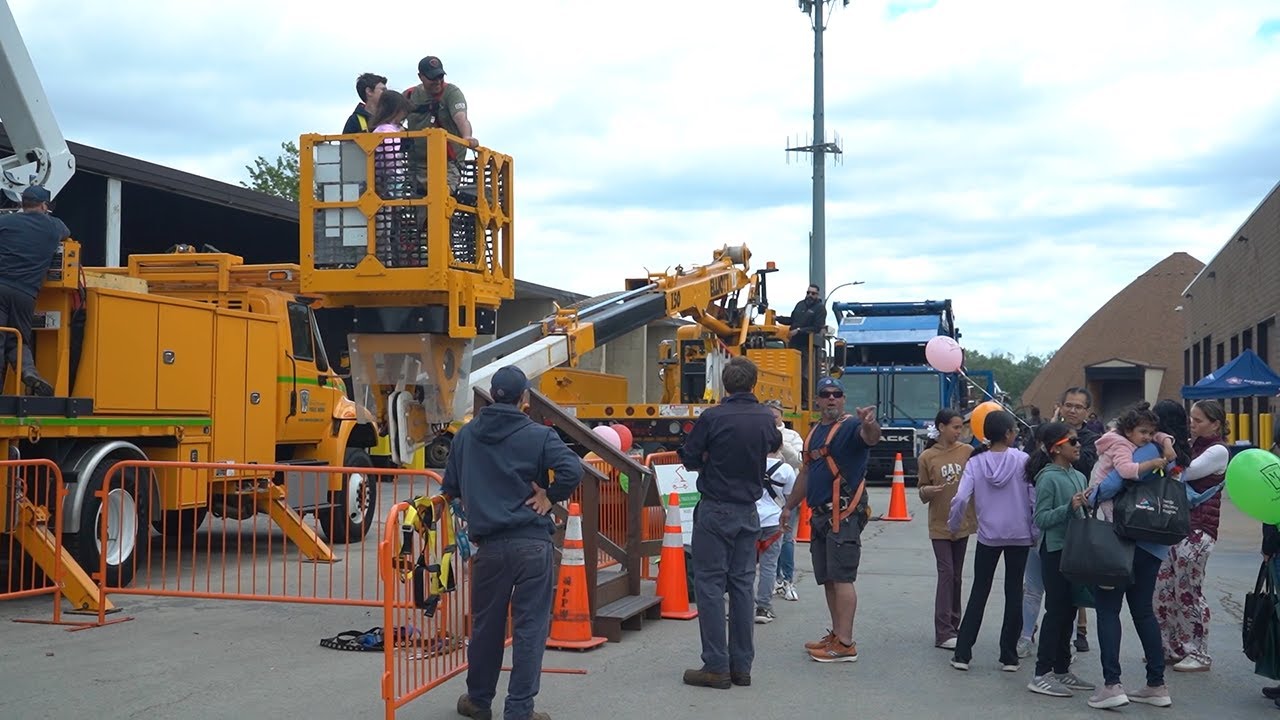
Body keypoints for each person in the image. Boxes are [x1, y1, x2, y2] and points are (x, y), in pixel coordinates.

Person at [441, 365, 582, 720]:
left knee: (486, 627)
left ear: (492, 396)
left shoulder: (466, 437)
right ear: (524, 399)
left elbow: (451, 488)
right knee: (530, 629)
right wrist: (550, 497)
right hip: (532, 542)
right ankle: (519, 708)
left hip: (489, 546)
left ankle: (478, 700)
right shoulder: (538, 435)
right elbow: (573, 470)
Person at [678, 356, 781, 689]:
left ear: (726, 384)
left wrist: (708, 457)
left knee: (709, 586)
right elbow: (774, 445)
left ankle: (716, 665)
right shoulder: (765, 418)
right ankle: (742, 666)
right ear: (753, 384)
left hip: (716, 506)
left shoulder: (713, 417)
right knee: (741, 585)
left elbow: (690, 456)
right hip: (748, 509)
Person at [779, 377, 880, 663]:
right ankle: (837, 635)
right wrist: (789, 507)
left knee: (842, 577)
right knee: (829, 579)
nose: (832, 398)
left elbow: (870, 437)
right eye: (826, 394)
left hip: (843, 514)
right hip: (822, 515)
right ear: (818, 400)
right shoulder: (814, 434)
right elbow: (806, 474)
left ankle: (845, 643)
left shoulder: (850, 427)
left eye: (837, 394)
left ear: (843, 399)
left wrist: (869, 423)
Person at [1084, 401, 1176, 709]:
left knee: (1108, 610)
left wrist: (1091, 495)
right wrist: (1164, 440)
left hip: (1119, 539)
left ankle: (1112, 685)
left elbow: (1110, 486)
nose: (1149, 436)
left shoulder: (1139, 452)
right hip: (1153, 544)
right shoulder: (1168, 453)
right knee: (1143, 612)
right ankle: (1156, 684)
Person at [946, 409, 1035, 672]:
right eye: (1014, 431)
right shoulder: (1023, 460)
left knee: (979, 591)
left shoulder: (976, 462)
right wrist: (1035, 530)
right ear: (1008, 434)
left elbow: (961, 497)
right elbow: (1033, 498)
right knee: (1014, 593)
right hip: (1019, 534)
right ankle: (1009, 656)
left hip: (989, 535)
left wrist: (954, 524)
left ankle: (963, 654)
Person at [1155, 399, 1229, 673]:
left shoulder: (1218, 450)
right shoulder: (1192, 444)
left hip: (1199, 530)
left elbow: (1182, 473)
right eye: (1192, 419)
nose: (1192, 424)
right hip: (1177, 527)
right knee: (1163, 590)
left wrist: (1166, 452)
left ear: (1216, 424)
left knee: (1188, 592)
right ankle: (1171, 647)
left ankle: (1198, 652)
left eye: (1198, 420)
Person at [1025, 421, 1097, 698]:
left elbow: (1078, 512)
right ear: (1057, 448)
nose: (1079, 446)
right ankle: (1041, 673)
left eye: (1077, 441)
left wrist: (1085, 504)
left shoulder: (1078, 476)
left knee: (1069, 610)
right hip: (1054, 551)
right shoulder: (1048, 477)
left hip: (1075, 551)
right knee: (1055, 611)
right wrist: (1069, 507)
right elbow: (1040, 519)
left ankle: (1062, 669)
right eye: (1073, 442)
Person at [0, 185, 68, 397]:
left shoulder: (6, 222)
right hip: (27, 294)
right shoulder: (54, 227)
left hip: (1, 286)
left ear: (22, 203)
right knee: (18, 337)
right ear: (44, 205)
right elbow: (67, 232)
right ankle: (28, 370)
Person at [917, 408, 976, 649]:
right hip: (940, 524)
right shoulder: (927, 457)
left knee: (957, 576)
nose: (959, 431)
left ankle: (955, 624)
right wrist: (927, 491)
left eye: (961, 427)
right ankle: (942, 632)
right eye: (955, 426)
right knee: (946, 573)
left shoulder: (968, 452)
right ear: (941, 427)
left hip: (962, 523)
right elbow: (921, 490)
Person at [405, 55, 477, 195]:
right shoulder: (409, 96)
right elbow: (391, 118)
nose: (438, 81)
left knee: (441, 198)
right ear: (421, 77)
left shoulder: (451, 93)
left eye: (440, 77)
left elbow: (461, 117)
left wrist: (467, 136)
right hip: (417, 165)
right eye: (433, 78)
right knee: (421, 210)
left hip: (447, 164)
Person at [754, 435, 796, 624]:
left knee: (744, 567)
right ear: (780, 445)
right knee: (768, 566)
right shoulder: (785, 469)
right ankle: (763, 607)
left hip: (749, 520)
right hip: (773, 521)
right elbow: (790, 497)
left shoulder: (750, 464)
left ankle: (742, 607)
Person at [764, 399, 803, 602]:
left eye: (775, 416)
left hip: (787, 496)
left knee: (786, 539)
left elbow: (799, 460)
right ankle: (770, 582)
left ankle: (787, 580)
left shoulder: (792, 436)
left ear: (782, 416)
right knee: (765, 542)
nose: (772, 420)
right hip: (763, 499)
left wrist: (780, 441)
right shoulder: (757, 433)